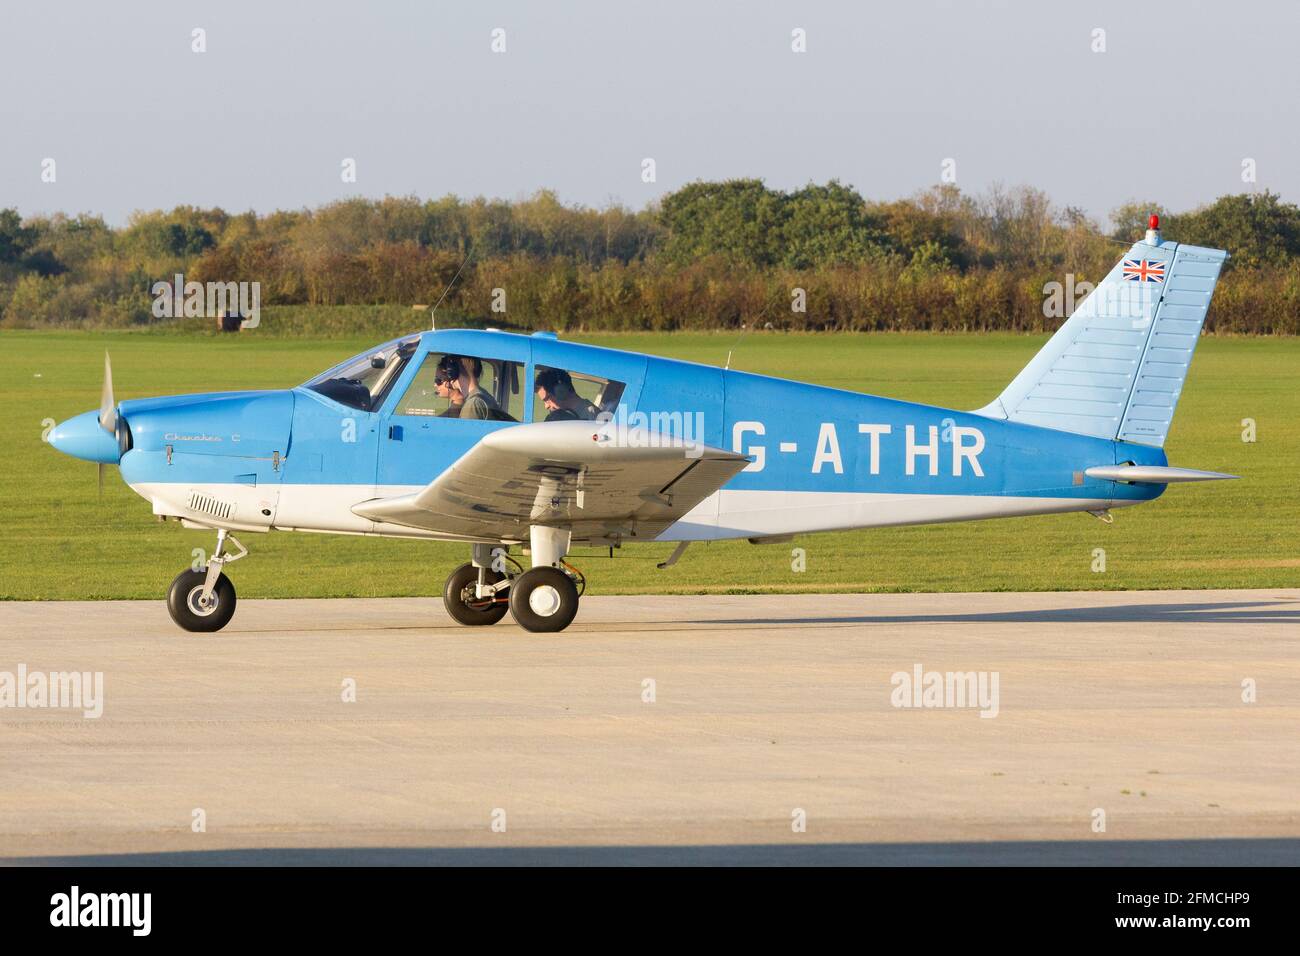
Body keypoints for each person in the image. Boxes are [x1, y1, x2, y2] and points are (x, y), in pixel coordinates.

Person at [449, 355, 501, 420]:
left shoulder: (473, 404)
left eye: (449, 372)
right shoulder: (483, 395)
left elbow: (466, 430)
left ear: (454, 372)